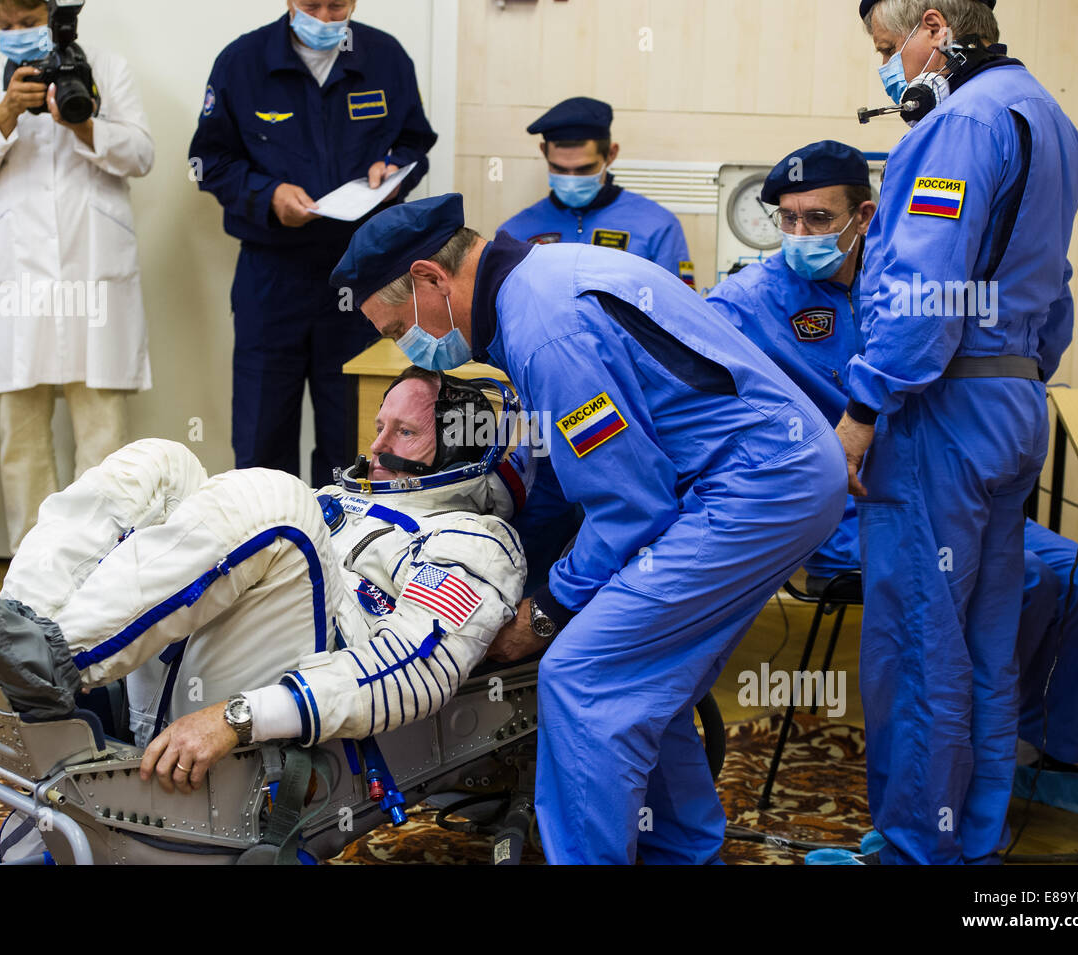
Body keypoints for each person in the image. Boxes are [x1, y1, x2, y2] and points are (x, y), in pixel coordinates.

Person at [332, 192, 848, 864]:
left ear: (431, 278)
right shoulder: (538, 284)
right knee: (651, 677)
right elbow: (554, 475)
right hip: (763, 476)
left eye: (400, 328)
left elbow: (630, 505)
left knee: (584, 675)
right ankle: (681, 853)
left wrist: (542, 610)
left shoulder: (546, 328)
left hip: (756, 489)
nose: (411, 347)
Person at [706, 141, 1078, 836]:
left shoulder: (908, 282)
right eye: (788, 219)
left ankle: (1031, 753)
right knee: (1018, 587)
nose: (799, 236)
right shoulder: (752, 297)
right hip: (849, 511)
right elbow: (696, 385)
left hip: (943, 486)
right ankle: (946, 782)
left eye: (818, 219)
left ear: (864, 214)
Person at [0, 370, 528, 795]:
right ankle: (20, 635)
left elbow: (416, 668)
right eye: (379, 425)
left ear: (457, 454)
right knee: (161, 462)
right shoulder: (339, 495)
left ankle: (51, 660)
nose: (379, 444)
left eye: (405, 433)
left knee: (276, 501)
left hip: (305, 696)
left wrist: (240, 718)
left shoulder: (475, 543)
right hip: (191, 660)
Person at [832, 0, 1078, 863]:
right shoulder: (1050, 120)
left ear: (934, 26)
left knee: (918, 647)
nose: (887, 70)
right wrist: (1015, 372)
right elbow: (1057, 290)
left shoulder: (960, 125)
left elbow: (921, 289)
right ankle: (970, 840)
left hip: (941, 409)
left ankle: (912, 849)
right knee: (984, 643)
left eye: (884, 48)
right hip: (1013, 404)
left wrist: (864, 409)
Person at [189, 0, 436, 483]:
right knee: (263, 432)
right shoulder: (242, 62)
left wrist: (393, 171)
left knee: (355, 432)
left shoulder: (386, 58)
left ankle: (344, 550)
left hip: (361, 274)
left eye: (336, 4)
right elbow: (209, 162)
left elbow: (414, 143)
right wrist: (267, 194)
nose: (324, 17)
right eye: (311, 4)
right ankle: (267, 549)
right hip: (272, 275)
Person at [0, 0, 154, 554]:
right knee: (20, 438)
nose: (20, 34)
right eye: (8, 26)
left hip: (94, 274)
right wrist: (4, 114)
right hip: (17, 281)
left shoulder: (106, 68)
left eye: (30, 22)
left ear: (55, 17)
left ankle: (99, 563)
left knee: (102, 438)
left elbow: (142, 154)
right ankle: (33, 565)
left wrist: (85, 122)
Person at [498, 96, 694, 287]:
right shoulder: (515, 232)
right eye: (559, 169)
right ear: (544, 152)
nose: (572, 179)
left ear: (611, 154)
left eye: (584, 170)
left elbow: (679, 313)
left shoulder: (657, 227)